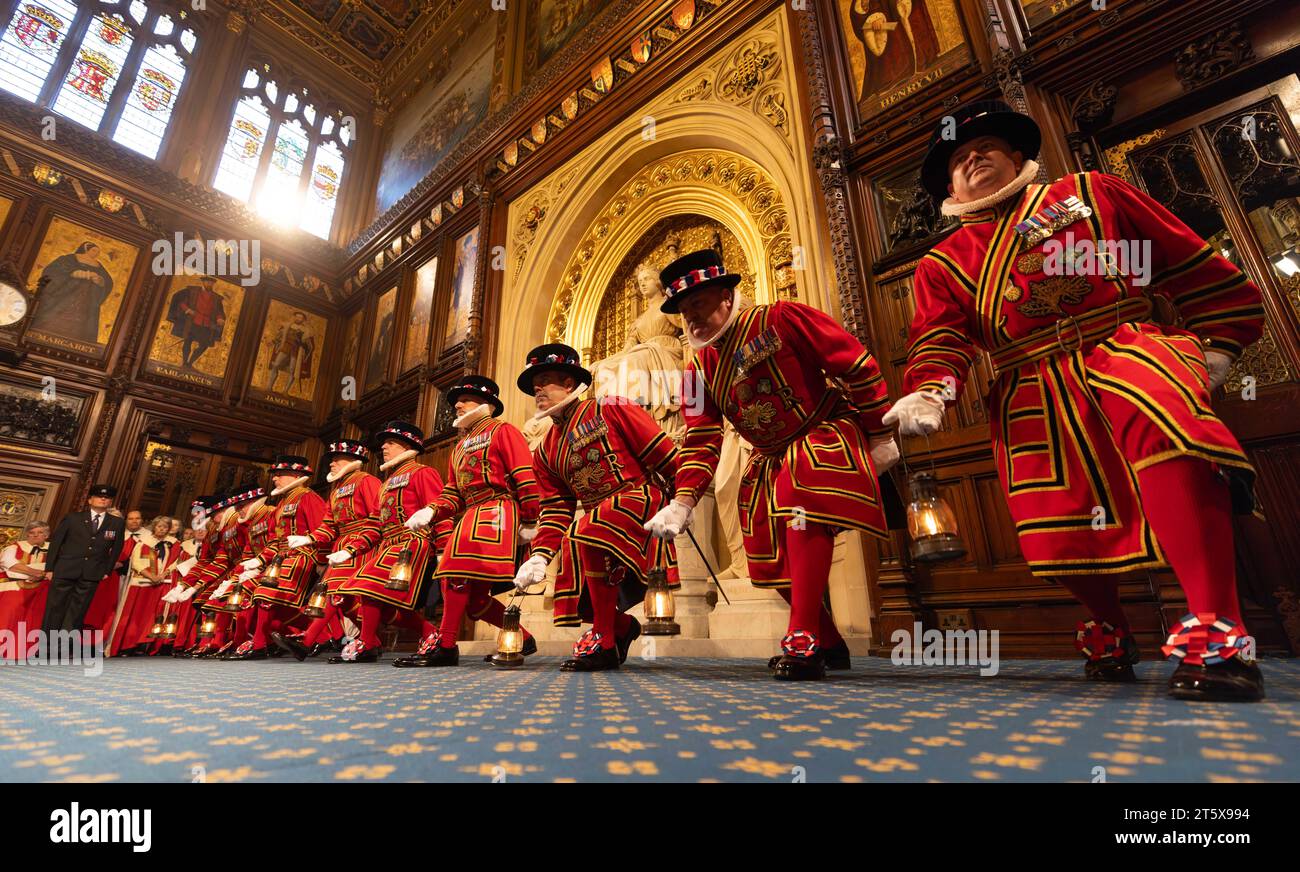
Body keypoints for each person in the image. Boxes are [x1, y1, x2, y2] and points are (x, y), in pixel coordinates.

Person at [889, 100, 1267, 701]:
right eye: (959, 159)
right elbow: (939, 337)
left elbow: (1184, 258)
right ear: (950, 185)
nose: (974, 158)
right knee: (1053, 522)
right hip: (1027, 383)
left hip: (1123, 349)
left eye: (985, 146)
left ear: (1019, 156)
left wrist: (1219, 343)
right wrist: (931, 389)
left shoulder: (1092, 192)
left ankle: (1217, 628)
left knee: (1173, 443)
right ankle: (1108, 627)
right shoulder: (941, 263)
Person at [643, 249, 898, 680]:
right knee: (760, 542)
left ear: (726, 296)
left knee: (796, 493)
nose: (691, 319)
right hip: (769, 454)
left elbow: (855, 363)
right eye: (683, 312)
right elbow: (701, 438)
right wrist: (683, 500)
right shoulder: (696, 370)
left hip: (822, 432)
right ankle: (830, 641)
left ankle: (801, 639)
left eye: (698, 305)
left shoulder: (783, 318)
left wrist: (881, 434)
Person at [513, 343, 679, 672]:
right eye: (535, 388)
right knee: (572, 589)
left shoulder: (611, 407)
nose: (538, 391)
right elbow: (557, 509)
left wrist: (683, 501)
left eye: (545, 382)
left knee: (585, 531)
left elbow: (665, 454)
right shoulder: (545, 450)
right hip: (597, 519)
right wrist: (539, 555)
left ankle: (603, 639)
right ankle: (621, 627)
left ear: (570, 384)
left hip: (640, 499)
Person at [399, 376, 541, 667]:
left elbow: (524, 476)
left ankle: (446, 644)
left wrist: (529, 519)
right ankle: (523, 638)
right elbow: (453, 492)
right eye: (456, 402)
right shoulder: (460, 445)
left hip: (497, 511)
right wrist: (431, 510)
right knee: (475, 601)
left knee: (456, 575)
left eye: (465, 400)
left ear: (485, 402)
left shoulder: (503, 431)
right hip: (471, 515)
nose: (458, 406)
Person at [329, 421, 448, 663]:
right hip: (387, 546)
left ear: (407, 445)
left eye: (390, 442)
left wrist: (444, 548)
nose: (383, 446)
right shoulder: (384, 485)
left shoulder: (422, 472)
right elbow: (375, 524)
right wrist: (351, 550)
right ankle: (427, 633)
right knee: (383, 601)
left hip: (412, 544)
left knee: (369, 586)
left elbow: (439, 510)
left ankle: (368, 641)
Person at [271, 440, 379, 660]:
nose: (332, 463)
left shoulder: (367, 481)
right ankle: (372, 641)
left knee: (336, 596)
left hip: (361, 546)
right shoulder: (336, 488)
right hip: (342, 546)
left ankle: (308, 640)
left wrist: (353, 547)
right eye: (331, 458)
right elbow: (329, 526)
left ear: (353, 460)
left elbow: (376, 519)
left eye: (337, 458)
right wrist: (308, 538)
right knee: (343, 601)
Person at [231, 456, 327, 660]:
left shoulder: (308, 496)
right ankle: (319, 635)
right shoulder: (281, 503)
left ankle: (258, 645)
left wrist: (322, 561)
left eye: (280, 475)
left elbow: (322, 529)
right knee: (252, 591)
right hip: (280, 559)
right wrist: (259, 560)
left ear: (296, 475)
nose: (274, 479)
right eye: (275, 475)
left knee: (266, 593)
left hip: (302, 556)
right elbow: (274, 540)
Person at [40, 484, 128, 641]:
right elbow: (56, 544)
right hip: (65, 570)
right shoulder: (73, 518)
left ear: (110, 502)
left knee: (77, 611)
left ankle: (62, 646)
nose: (103, 499)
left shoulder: (117, 523)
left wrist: (107, 571)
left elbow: (116, 549)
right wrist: (50, 568)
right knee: (55, 608)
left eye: (107, 497)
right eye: (99, 496)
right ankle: (46, 644)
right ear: (90, 500)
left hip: (91, 573)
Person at [107, 515, 178, 656]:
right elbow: (135, 561)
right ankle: (126, 645)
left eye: (165, 527)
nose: (162, 529)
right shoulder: (144, 541)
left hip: (160, 584)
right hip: (140, 584)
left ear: (169, 529)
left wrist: (163, 575)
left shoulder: (173, 543)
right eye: (159, 526)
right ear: (154, 527)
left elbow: (175, 561)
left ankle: (142, 645)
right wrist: (150, 576)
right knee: (133, 615)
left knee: (150, 617)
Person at [30, 241, 113, 345]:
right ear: (86, 249)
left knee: (81, 321)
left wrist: (101, 281)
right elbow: (51, 271)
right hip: (65, 293)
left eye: (98, 252)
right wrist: (74, 273)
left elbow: (108, 281)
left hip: (86, 298)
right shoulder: (69, 259)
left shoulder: (98, 265)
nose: (96, 253)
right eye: (94, 250)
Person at [0, 522, 50, 659]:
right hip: (13, 586)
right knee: (9, 615)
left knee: (34, 618)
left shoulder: (52, 549)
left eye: (39, 532)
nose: (35, 535)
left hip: (41, 588)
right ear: (27, 534)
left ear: (46, 535)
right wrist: (35, 572)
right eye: (31, 532)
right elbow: (8, 563)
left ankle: (22, 651)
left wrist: (45, 574)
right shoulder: (14, 547)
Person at [166, 275, 227, 369]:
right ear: (203, 282)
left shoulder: (216, 298)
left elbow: (219, 311)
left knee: (205, 345)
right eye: (207, 282)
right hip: (192, 322)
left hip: (206, 324)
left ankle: (190, 363)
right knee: (187, 342)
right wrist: (188, 310)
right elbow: (181, 302)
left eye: (211, 283)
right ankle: (184, 362)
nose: (209, 284)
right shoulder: (192, 291)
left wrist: (219, 318)